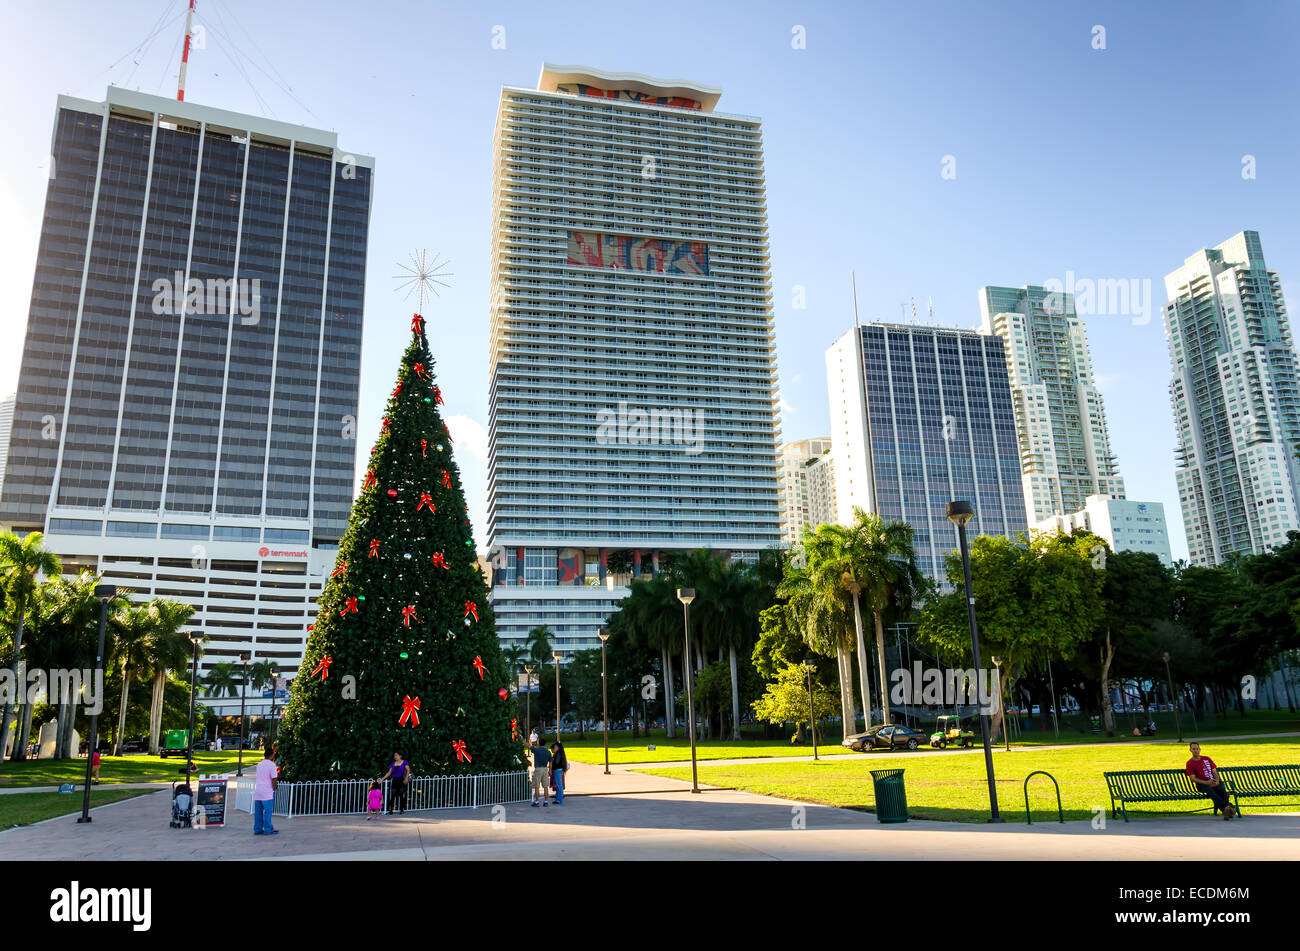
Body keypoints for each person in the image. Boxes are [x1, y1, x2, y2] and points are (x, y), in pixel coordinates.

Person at [1185, 742, 1235, 819]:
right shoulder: (1190, 763)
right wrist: (1206, 782)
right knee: (1211, 791)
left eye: (1197, 749)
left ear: (1200, 749)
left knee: (1222, 789)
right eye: (1193, 749)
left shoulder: (1207, 759)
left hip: (1213, 781)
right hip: (1202, 784)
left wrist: (1217, 780)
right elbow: (1193, 778)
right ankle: (1227, 808)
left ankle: (1226, 810)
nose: (1196, 750)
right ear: (1190, 750)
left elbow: (1214, 771)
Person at [253, 747, 279, 835]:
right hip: (267, 792)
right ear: (272, 755)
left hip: (258, 791)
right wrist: (275, 788)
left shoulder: (259, 764)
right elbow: (274, 779)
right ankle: (268, 829)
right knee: (268, 812)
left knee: (258, 812)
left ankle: (257, 829)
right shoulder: (272, 765)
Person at [529, 738, 551, 807]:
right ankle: (546, 801)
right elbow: (550, 762)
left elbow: (529, 746)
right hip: (545, 769)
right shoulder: (548, 752)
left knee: (537, 786)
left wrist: (524, 741)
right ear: (545, 744)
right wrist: (550, 770)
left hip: (538, 769)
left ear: (539, 743)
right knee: (545, 786)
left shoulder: (536, 750)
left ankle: (537, 801)